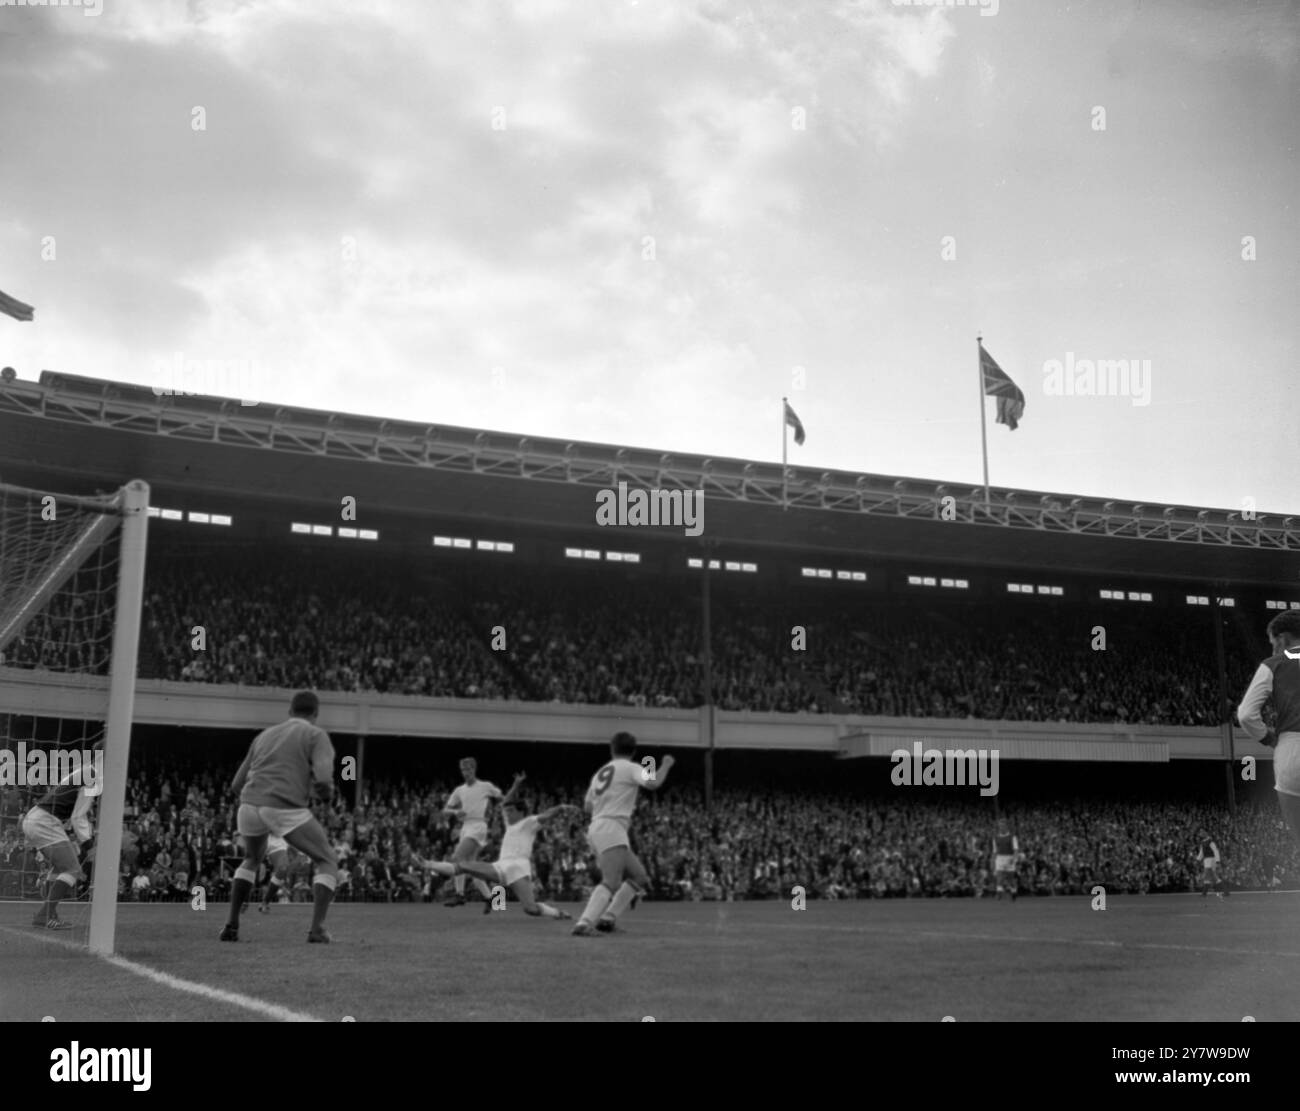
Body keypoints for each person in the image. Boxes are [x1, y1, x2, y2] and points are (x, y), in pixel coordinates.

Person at [219, 691, 338, 944]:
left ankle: (231, 925)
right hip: (283, 805)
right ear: (315, 714)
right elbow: (325, 780)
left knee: (251, 858)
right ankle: (317, 930)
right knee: (326, 859)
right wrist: (325, 796)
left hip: (248, 805)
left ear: (290, 712)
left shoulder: (264, 735)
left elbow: (235, 784)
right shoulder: (316, 735)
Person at [572, 732, 674, 937]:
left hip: (601, 826)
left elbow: (587, 806)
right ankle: (584, 923)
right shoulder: (631, 767)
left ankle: (607, 920)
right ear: (634, 750)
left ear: (612, 749)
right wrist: (665, 764)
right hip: (611, 827)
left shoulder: (601, 772)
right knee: (611, 881)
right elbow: (653, 783)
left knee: (639, 876)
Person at [423, 793, 578, 920]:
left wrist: (561, 807)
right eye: (507, 811)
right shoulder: (509, 824)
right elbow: (506, 801)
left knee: (530, 909)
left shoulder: (529, 822)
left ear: (520, 812)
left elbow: (546, 815)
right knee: (464, 866)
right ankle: (427, 864)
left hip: (518, 868)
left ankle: (558, 913)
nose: (507, 813)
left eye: (511, 811)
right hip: (501, 865)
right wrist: (516, 786)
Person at [20, 742, 103, 929]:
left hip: (35, 817)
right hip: (45, 821)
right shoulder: (94, 774)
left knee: (59, 868)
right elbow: (78, 816)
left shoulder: (84, 770)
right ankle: (45, 915)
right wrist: (89, 845)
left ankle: (49, 916)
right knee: (73, 869)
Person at [1238, 611, 1300, 845]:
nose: (1273, 649)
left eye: (1273, 643)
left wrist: (1268, 738)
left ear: (1282, 639)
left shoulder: (1274, 664)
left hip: (1291, 751)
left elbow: (1246, 715)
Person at [440, 759, 523, 907]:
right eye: (463, 770)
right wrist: (455, 812)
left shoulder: (485, 786)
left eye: (469, 769)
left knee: (458, 857)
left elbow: (504, 799)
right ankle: (491, 898)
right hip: (466, 826)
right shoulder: (459, 790)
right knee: (471, 866)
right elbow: (445, 811)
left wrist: (516, 785)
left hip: (478, 826)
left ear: (474, 770)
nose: (466, 773)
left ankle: (460, 894)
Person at [992, 819, 1019, 901]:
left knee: (1010, 879)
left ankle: (1014, 892)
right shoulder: (995, 838)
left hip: (1009, 857)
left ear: (1006, 826)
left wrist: (1014, 859)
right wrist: (993, 860)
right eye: (1000, 826)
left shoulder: (1012, 837)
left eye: (1003, 826)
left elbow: (1016, 850)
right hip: (999, 858)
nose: (1001, 827)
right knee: (999, 876)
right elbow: (994, 851)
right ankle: (999, 892)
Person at [1194, 829, 1226, 898]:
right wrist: (1197, 860)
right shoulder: (1203, 842)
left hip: (1211, 860)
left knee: (1207, 875)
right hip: (1206, 861)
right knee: (1214, 877)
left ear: (1206, 833)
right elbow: (1201, 853)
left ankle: (1204, 893)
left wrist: (1217, 861)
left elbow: (1215, 851)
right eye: (1200, 832)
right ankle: (1226, 892)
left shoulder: (1210, 841)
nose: (1201, 833)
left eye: (1202, 832)